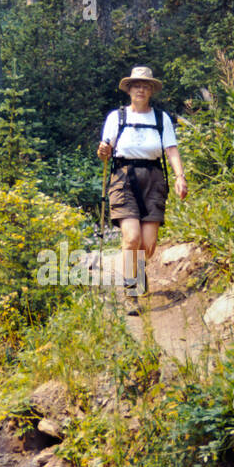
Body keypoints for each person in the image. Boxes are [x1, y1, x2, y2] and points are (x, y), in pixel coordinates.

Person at [97, 65, 188, 314]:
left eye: (145, 85)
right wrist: (103, 151)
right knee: (131, 238)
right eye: (136, 85)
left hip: (154, 178)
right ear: (129, 89)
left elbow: (171, 149)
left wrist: (180, 176)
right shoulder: (117, 117)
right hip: (123, 177)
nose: (140, 89)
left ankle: (138, 270)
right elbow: (105, 149)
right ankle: (131, 292)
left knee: (148, 245)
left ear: (151, 90)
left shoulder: (161, 118)